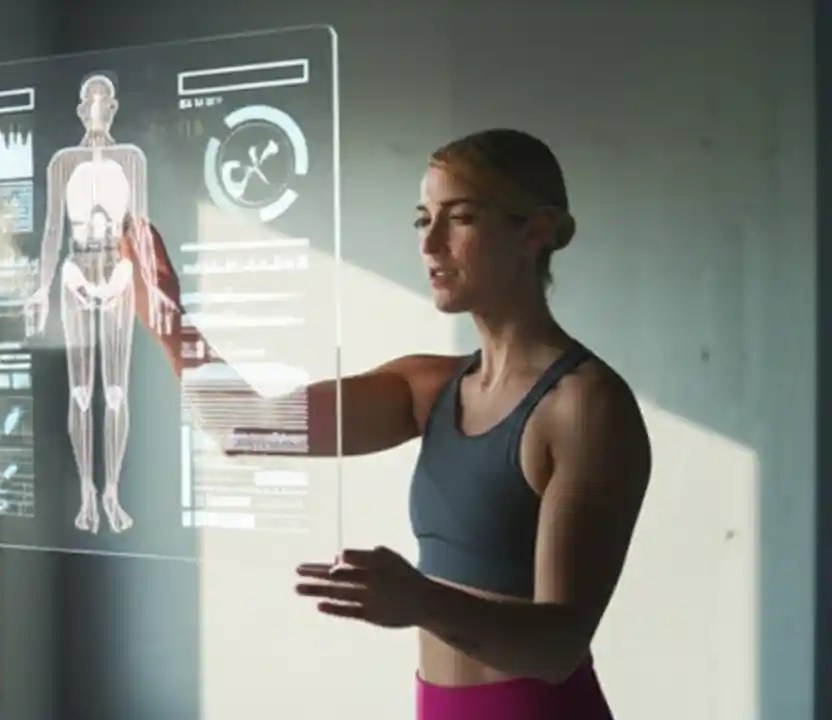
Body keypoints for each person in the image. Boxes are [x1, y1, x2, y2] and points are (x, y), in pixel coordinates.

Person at [122, 127, 650, 719]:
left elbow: (558, 648)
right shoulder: (428, 387)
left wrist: (422, 600)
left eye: (462, 217)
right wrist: (164, 313)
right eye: (423, 220)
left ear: (535, 231)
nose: (432, 244)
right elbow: (245, 425)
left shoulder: (586, 406)